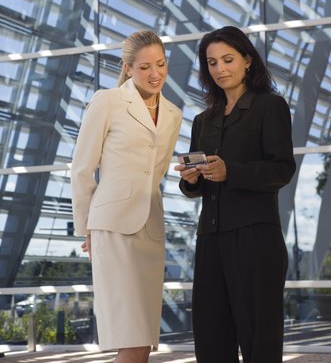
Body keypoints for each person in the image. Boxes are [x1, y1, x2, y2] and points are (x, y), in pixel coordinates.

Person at [175, 26, 296, 363]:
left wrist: (232, 172)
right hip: (210, 238)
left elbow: (282, 169)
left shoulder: (269, 106)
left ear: (246, 60)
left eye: (228, 59)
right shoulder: (203, 120)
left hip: (255, 236)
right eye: (212, 63)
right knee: (211, 338)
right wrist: (191, 179)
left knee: (259, 341)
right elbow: (195, 187)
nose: (220, 69)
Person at [70, 30, 182, 363]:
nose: (155, 73)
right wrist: (87, 227)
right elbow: (81, 168)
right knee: (131, 337)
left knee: (143, 339)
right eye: (145, 67)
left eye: (160, 64)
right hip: (114, 228)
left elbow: (156, 172)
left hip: (150, 229)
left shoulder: (173, 114)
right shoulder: (108, 101)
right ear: (128, 68)